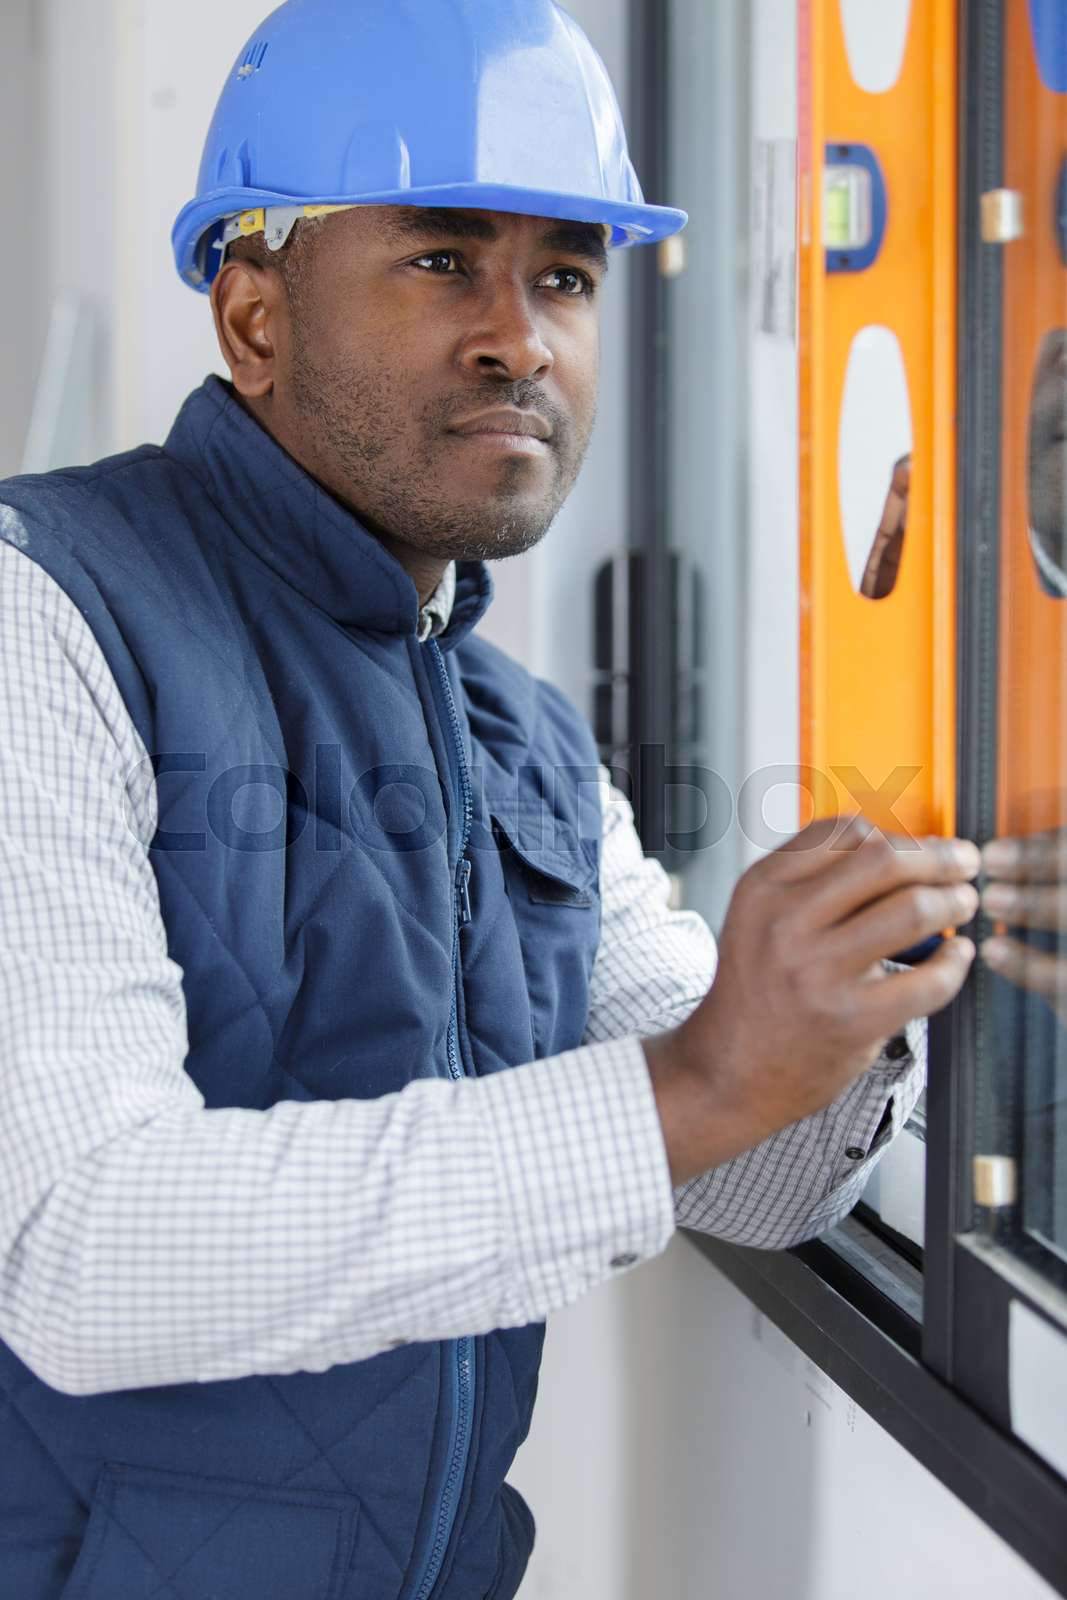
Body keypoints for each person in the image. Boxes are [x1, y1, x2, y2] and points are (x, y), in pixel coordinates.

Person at [0, 3, 979, 1596]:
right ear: (254, 317)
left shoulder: (519, 734)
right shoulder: (43, 610)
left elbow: (762, 1168)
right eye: (445, 261)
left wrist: (869, 977)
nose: (520, 336)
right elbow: (80, 1248)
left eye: (568, 278)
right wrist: (690, 1085)